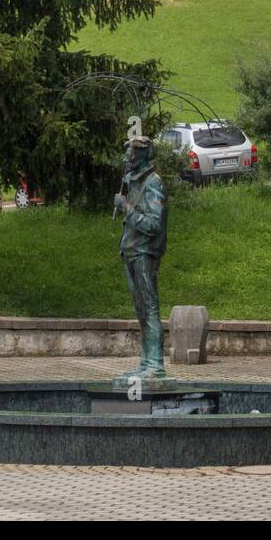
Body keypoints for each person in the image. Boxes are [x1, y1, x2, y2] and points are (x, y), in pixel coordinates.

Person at [114, 136, 168, 378]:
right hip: (130, 251)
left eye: (131, 156)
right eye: (126, 155)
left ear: (143, 155)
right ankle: (145, 364)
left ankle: (155, 365)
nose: (126, 159)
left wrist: (126, 208)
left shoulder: (153, 183)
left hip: (145, 252)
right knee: (140, 311)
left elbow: (154, 224)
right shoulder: (132, 181)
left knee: (150, 309)